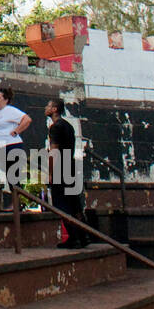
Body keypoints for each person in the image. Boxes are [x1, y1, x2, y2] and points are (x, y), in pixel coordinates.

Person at [46, 98, 88, 249]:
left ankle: (73, 237)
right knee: (74, 204)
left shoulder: (55, 127)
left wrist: (50, 173)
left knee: (61, 205)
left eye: (49, 106)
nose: (46, 108)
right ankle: (84, 236)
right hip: (70, 166)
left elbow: (54, 152)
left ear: (55, 109)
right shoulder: (68, 126)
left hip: (60, 169)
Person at [0, 87, 31, 186]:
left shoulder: (10, 110)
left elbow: (27, 119)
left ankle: (17, 199)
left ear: (6, 100)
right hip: (1, 146)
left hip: (12, 146)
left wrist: (17, 131)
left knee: (12, 179)